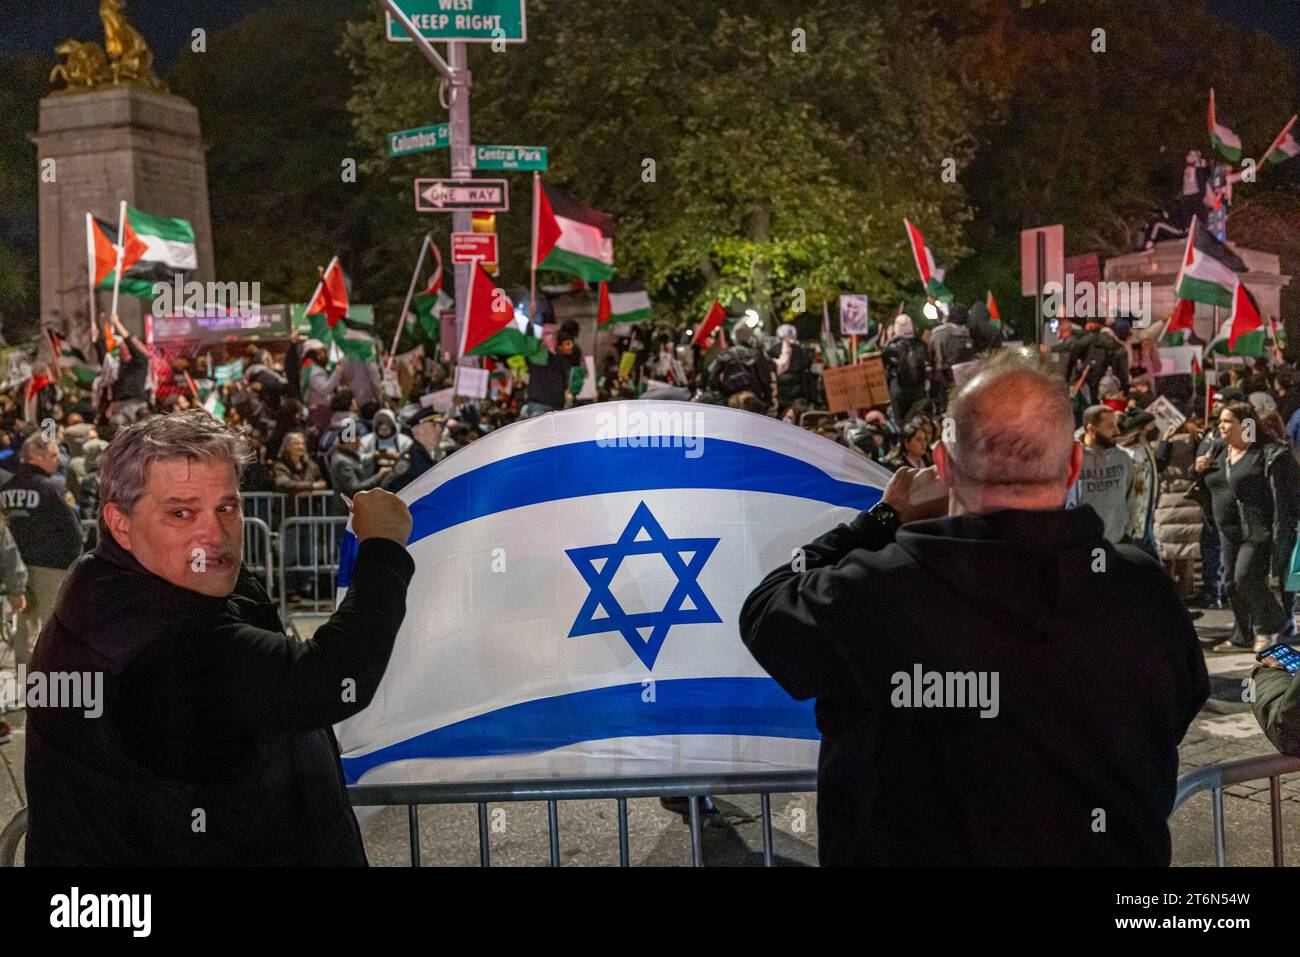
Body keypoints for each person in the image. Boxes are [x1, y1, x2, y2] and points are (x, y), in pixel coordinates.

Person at [740, 348, 1208, 865]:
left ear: (942, 465)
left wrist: (881, 518)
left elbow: (765, 612)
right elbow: (1178, 709)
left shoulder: (876, 590)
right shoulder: (1142, 590)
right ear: (1075, 464)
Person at [23, 411, 416, 864]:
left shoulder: (141, 582)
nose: (214, 534)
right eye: (181, 512)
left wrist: (294, 744)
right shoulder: (147, 636)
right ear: (121, 523)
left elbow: (256, 697)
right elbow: (328, 679)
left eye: (226, 507)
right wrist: (383, 548)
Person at [1196, 402, 1300, 654]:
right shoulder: (1219, 451)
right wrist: (1198, 469)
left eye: (1228, 421)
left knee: (1245, 577)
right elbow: (1207, 482)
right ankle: (1242, 634)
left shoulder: (1268, 453)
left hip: (1257, 529)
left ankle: (1271, 624)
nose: (1221, 425)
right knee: (1230, 583)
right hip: (1227, 530)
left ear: (1247, 425)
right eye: (1220, 421)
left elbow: (1288, 492)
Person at [0, 434, 83, 667]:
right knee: (53, 629)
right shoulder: (53, 488)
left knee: (25, 630)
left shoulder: (6, 488)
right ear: (35, 456)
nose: (58, 460)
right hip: (52, 568)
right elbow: (74, 531)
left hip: (17, 567)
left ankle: (28, 687)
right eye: (53, 455)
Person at [1068, 404, 1134, 544]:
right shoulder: (1070, 458)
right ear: (1092, 429)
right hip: (1082, 543)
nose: (1116, 431)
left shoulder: (1122, 457)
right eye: (1110, 426)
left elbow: (1130, 497)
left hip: (1116, 540)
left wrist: (1127, 531)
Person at [881, 314, 929, 425]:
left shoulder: (891, 347)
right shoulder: (921, 344)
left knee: (900, 420)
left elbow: (883, 364)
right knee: (918, 420)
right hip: (919, 388)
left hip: (899, 387)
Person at [772, 324, 810, 408]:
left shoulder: (773, 349)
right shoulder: (799, 349)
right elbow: (807, 364)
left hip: (780, 388)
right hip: (797, 387)